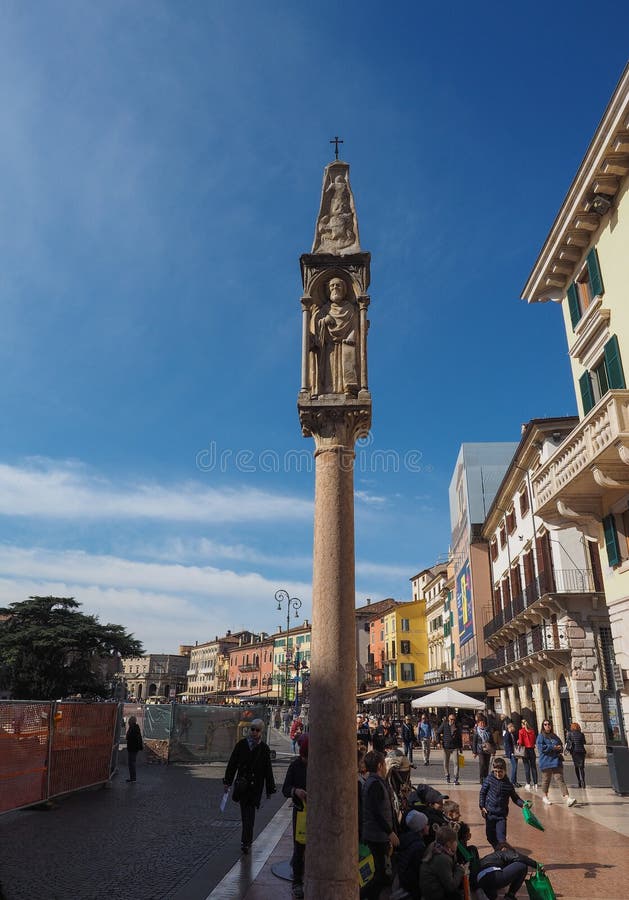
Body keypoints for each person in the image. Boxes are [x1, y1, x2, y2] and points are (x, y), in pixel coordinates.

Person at [223, 718, 276, 854]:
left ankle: (246, 841)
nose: (254, 732)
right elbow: (232, 764)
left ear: (261, 732)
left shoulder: (264, 749)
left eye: (257, 730)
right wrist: (227, 782)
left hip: (255, 788)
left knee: (249, 816)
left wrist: (270, 789)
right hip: (243, 787)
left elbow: (267, 770)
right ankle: (246, 841)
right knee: (247, 815)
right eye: (252, 729)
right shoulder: (241, 745)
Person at [361, 750, 399, 900]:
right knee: (380, 874)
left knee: (380, 873)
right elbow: (377, 813)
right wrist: (390, 832)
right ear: (379, 766)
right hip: (376, 835)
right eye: (384, 764)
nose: (385, 767)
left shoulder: (374, 782)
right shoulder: (375, 784)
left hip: (377, 834)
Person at [312, 276, 359, 396]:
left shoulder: (350, 308)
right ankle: (327, 390)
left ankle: (348, 389)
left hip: (345, 345)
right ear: (328, 290)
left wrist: (351, 337)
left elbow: (355, 327)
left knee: (346, 370)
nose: (335, 288)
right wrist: (324, 321)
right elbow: (315, 326)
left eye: (338, 285)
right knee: (329, 372)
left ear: (343, 289)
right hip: (329, 348)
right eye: (332, 286)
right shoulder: (325, 309)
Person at [479, 756, 526, 848]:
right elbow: (482, 793)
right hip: (489, 814)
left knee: (501, 839)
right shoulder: (489, 780)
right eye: (495, 771)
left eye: (500, 772)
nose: (497, 774)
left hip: (501, 816)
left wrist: (523, 804)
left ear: (505, 770)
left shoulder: (508, 784)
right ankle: (498, 851)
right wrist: (482, 806)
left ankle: (502, 853)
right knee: (490, 837)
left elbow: (515, 798)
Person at [282, 735, 308, 899]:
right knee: (299, 848)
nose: (307, 760)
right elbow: (285, 789)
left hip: (318, 813)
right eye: (305, 757)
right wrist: (296, 791)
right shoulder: (295, 766)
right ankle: (297, 882)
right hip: (300, 811)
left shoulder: (320, 764)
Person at [474, 841, 539, 900]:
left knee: (494, 895)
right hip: (494, 877)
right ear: (504, 849)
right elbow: (519, 857)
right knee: (522, 866)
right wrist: (537, 865)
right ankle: (510, 896)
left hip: (482, 880)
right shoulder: (503, 853)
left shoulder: (488, 857)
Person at [419, 824, 466, 900]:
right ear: (448, 843)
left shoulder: (435, 846)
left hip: (431, 892)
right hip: (435, 895)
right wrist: (460, 870)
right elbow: (451, 886)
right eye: (455, 841)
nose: (457, 844)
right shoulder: (442, 858)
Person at [536, 718, 576, 807]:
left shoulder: (554, 736)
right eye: (545, 724)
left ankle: (567, 798)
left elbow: (561, 745)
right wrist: (553, 747)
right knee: (546, 780)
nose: (547, 726)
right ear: (543, 726)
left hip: (556, 760)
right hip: (546, 761)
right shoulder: (540, 736)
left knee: (560, 779)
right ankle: (545, 796)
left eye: (548, 724)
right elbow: (541, 749)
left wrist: (560, 748)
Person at [395, 810, 430, 900]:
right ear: (421, 828)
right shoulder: (418, 846)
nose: (428, 826)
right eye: (426, 824)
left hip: (403, 879)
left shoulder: (407, 838)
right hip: (411, 885)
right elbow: (418, 871)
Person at [437, 713, 463, 785]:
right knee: (445, 763)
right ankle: (447, 775)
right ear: (448, 719)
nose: (452, 721)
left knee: (456, 763)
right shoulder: (444, 725)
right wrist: (438, 742)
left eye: (454, 720)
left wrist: (460, 747)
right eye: (451, 719)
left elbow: (459, 737)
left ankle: (456, 778)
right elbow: (438, 732)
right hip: (446, 747)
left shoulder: (457, 726)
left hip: (455, 747)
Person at [473, 716, 495, 784]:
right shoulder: (476, 732)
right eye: (480, 723)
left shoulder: (488, 731)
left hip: (488, 749)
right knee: (482, 764)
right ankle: (482, 778)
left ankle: (486, 778)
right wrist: (474, 752)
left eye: (483, 723)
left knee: (487, 764)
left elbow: (492, 741)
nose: (482, 724)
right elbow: (474, 742)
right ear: (478, 723)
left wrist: (494, 750)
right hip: (480, 750)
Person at [517, 718, 538, 790]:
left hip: (525, 750)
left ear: (522, 724)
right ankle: (536, 784)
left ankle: (528, 783)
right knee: (533, 767)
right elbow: (534, 740)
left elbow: (521, 742)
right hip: (532, 750)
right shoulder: (532, 731)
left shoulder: (521, 731)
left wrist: (518, 742)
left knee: (527, 767)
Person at [565, 721, 587, 788]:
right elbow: (584, 742)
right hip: (581, 751)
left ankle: (579, 781)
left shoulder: (570, 734)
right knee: (582, 767)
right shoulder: (581, 734)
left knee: (576, 766)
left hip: (574, 752)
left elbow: (567, 742)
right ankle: (583, 781)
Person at [502, 722, 520, 786]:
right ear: (508, 728)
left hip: (516, 752)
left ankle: (515, 781)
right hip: (511, 753)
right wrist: (511, 753)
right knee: (514, 767)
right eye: (511, 727)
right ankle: (512, 782)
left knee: (515, 767)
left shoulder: (514, 734)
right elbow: (507, 744)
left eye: (512, 727)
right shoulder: (507, 734)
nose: (512, 728)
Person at [125, 715, 143, 782]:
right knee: (132, 762)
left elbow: (128, 737)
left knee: (131, 763)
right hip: (134, 748)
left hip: (132, 748)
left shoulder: (132, 728)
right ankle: (133, 778)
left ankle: (133, 778)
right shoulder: (136, 727)